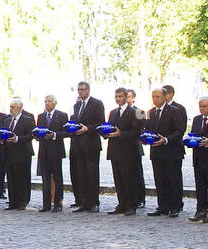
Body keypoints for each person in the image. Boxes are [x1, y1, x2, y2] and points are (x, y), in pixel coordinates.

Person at [145, 86, 186, 217]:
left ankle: (175, 206)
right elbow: (147, 129)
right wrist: (145, 138)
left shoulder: (175, 110)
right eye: (153, 97)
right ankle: (162, 206)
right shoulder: (151, 112)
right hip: (156, 151)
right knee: (159, 179)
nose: (155, 99)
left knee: (173, 179)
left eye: (158, 97)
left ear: (165, 97)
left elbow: (180, 131)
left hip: (172, 150)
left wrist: (167, 139)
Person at [105, 88, 143, 216]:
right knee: (119, 179)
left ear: (126, 97)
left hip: (129, 150)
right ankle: (121, 204)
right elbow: (109, 127)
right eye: (116, 96)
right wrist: (105, 132)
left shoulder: (136, 112)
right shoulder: (113, 112)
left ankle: (132, 205)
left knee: (130, 179)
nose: (117, 99)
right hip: (115, 150)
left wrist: (122, 134)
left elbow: (138, 132)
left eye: (120, 96)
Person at [68, 82, 104, 212]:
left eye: (82, 89)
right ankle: (84, 202)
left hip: (91, 144)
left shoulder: (97, 103)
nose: (80, 92)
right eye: (78, 90)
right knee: (81, 174)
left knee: (92, 174)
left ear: (88, 90)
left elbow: (101, 123)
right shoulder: (77, 105)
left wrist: (88, 129)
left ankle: (94, 202)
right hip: (78, 145)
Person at [34, 94, 68, 212]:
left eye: (49, 101)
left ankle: (58, 203)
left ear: (55, 103)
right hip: (44, 152)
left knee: (58, 178)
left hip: (56, 151)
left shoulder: (62, 115)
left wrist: (54, 135)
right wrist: (38, 135)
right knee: (45, 179)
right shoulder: (41, 116)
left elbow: (66, 132)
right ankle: (46, 204)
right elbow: (37, 130)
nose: (47, 103)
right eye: (45, 101)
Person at [3, 97, 36, 210]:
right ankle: (13, 201)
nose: (11, 109)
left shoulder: (27, 119)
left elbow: (31, 135)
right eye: (10, 107)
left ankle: (23, 201)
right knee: (11, 177)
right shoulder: (7, 120)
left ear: (20, 107)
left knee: (22, 177)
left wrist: (17, 138)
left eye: (13, 107)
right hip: (9, 153)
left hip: (23, 153)